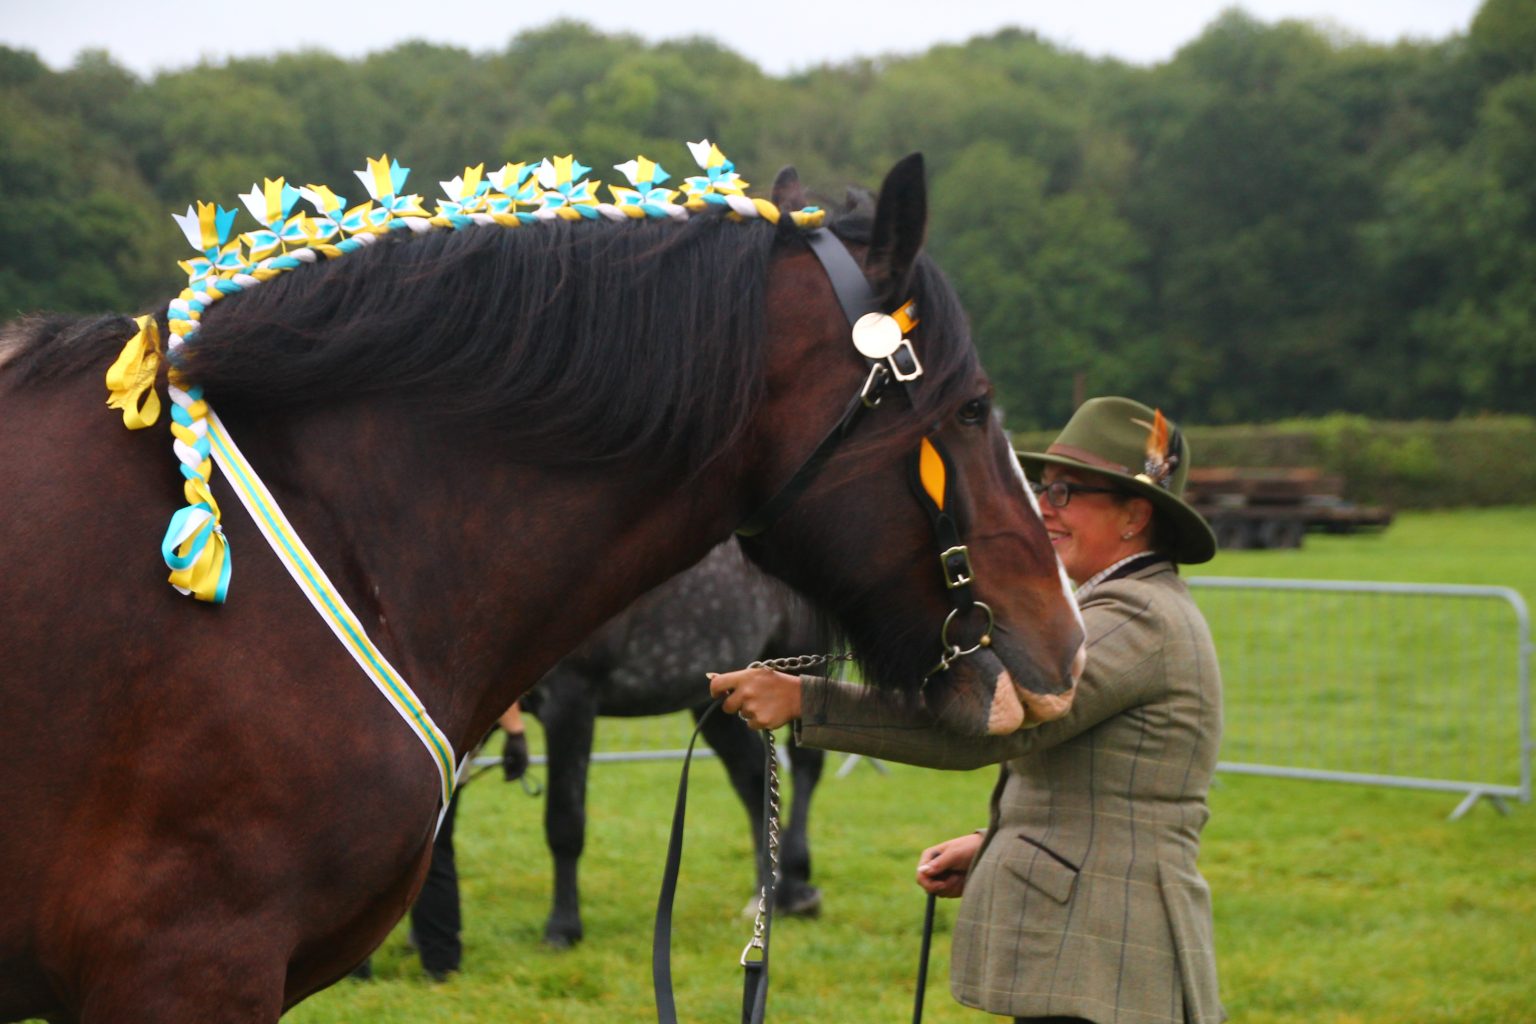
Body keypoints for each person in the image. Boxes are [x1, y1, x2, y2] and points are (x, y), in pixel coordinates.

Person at [710, 396, 1225, 1024]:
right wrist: (995, 845)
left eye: (1067, 493)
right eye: (1043, 486)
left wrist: (805, 699)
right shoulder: (1122, 606)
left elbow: (986, 731)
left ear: (1133, 516)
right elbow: (1113, 796)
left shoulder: (1137, 615)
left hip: (1108, 951)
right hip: (1092, 948)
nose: (1043, 507)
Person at [352, 702, 529, 982]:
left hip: (376, 739)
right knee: (434, 849)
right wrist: (516, 732)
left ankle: (354, 961)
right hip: (435, 743)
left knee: (365, 849)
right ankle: (441, 963)